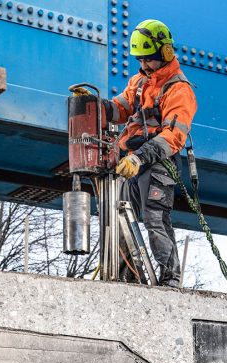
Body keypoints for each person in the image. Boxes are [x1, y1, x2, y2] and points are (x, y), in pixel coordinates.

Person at [78, 19, 197, 287]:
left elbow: (173, 136)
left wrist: (140, 156)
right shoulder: (140, 82)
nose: (143, 65)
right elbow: (120, 108)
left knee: (155, 218)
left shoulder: (179, 90)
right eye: (141, 60)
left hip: (156, 163)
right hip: (131, 163)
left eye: (148, 60)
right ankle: (126, 276)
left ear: (165, 54)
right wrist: (95, 105)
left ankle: (170, 278)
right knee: (119, 218)